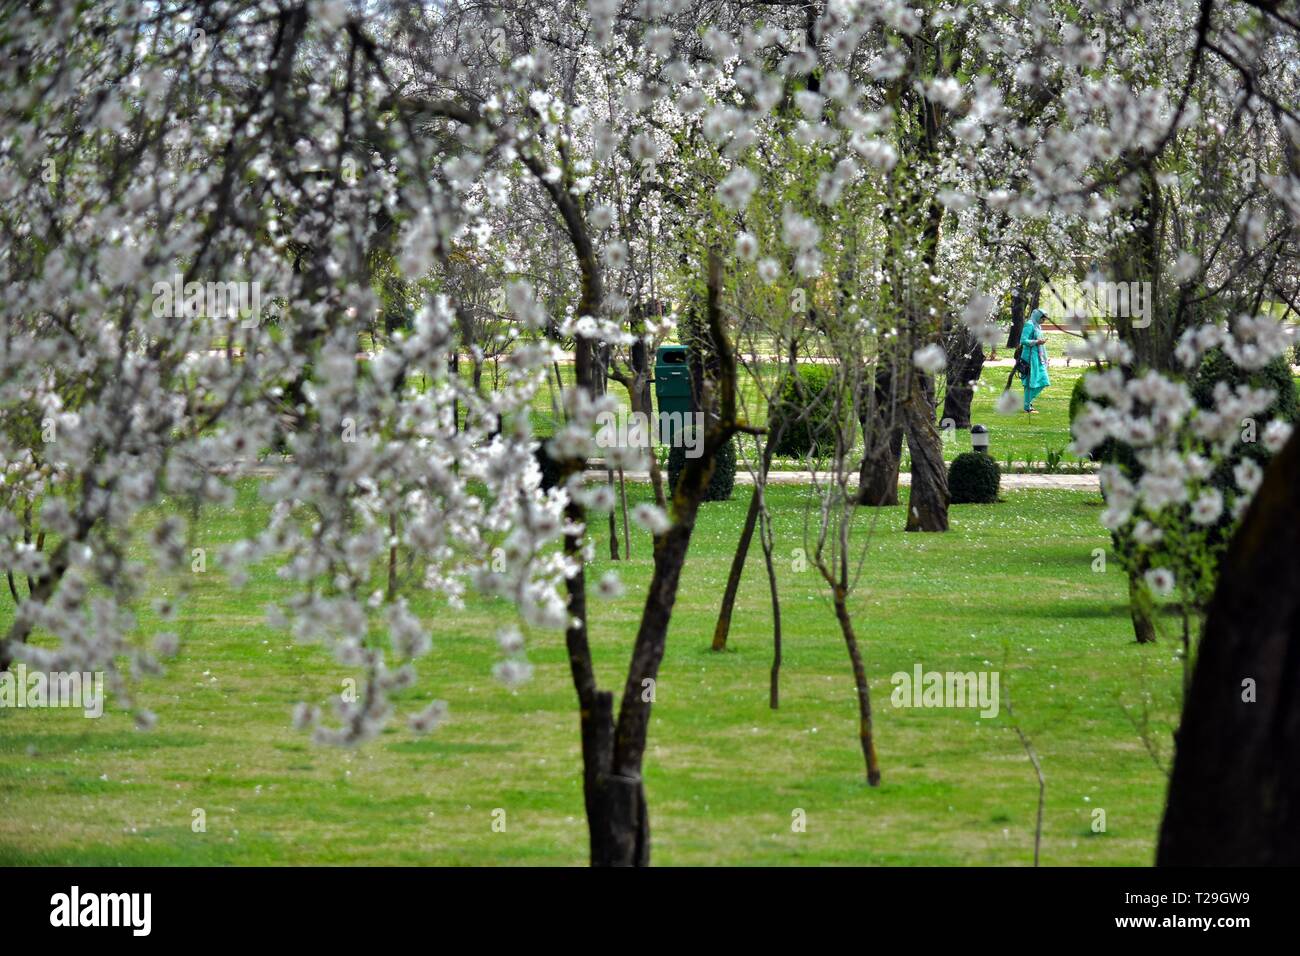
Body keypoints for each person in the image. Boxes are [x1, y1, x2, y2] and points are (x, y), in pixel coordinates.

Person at [1018, 308, 1051, 413]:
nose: (1043, 321)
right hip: (1030, 358)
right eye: (1043, 319)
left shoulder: (1038, 326)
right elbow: (1023, 340)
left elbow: (1040, 343)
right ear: (1038, 317)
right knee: (1030, 381)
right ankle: (1027, 406)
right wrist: (1036, 342)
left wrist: (1046, 357)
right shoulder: (1029, 325)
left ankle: (1028, 402)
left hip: (1038, 357)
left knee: (1043, 380)